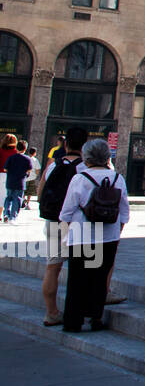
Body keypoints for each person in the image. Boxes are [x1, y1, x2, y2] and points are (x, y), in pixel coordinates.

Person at [58, 139, 129, 333]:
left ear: (86, 157)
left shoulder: (80, 178)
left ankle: (73, 321)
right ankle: (95, 318)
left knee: (77, 278)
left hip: (82, 235)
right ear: (107, 157)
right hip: (109, 236)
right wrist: (118, 229)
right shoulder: (117, 178)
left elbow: (66, 211)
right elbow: (124, 211)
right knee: (100, 278)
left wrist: (66, 230)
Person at [36, 126, 87, 326]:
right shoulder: (86, 168)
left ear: (65, 144)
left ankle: (51, 312)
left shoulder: (52, 166)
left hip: (53, 222)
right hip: (78, 226)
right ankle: (78, 312)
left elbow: (40, 194)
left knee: (52, 269)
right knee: (81, 271)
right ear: (85, 145)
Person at [4, 139, 32, 222]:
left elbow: (5, 169)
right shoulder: (27, 159)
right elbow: (29, 170)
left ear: (16, 148)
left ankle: (6, 213)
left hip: (10, 181)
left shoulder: (11, 157)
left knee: (8, 198)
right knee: (17, 199)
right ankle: (13, 217)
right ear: (25, 149)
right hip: (20, 182)